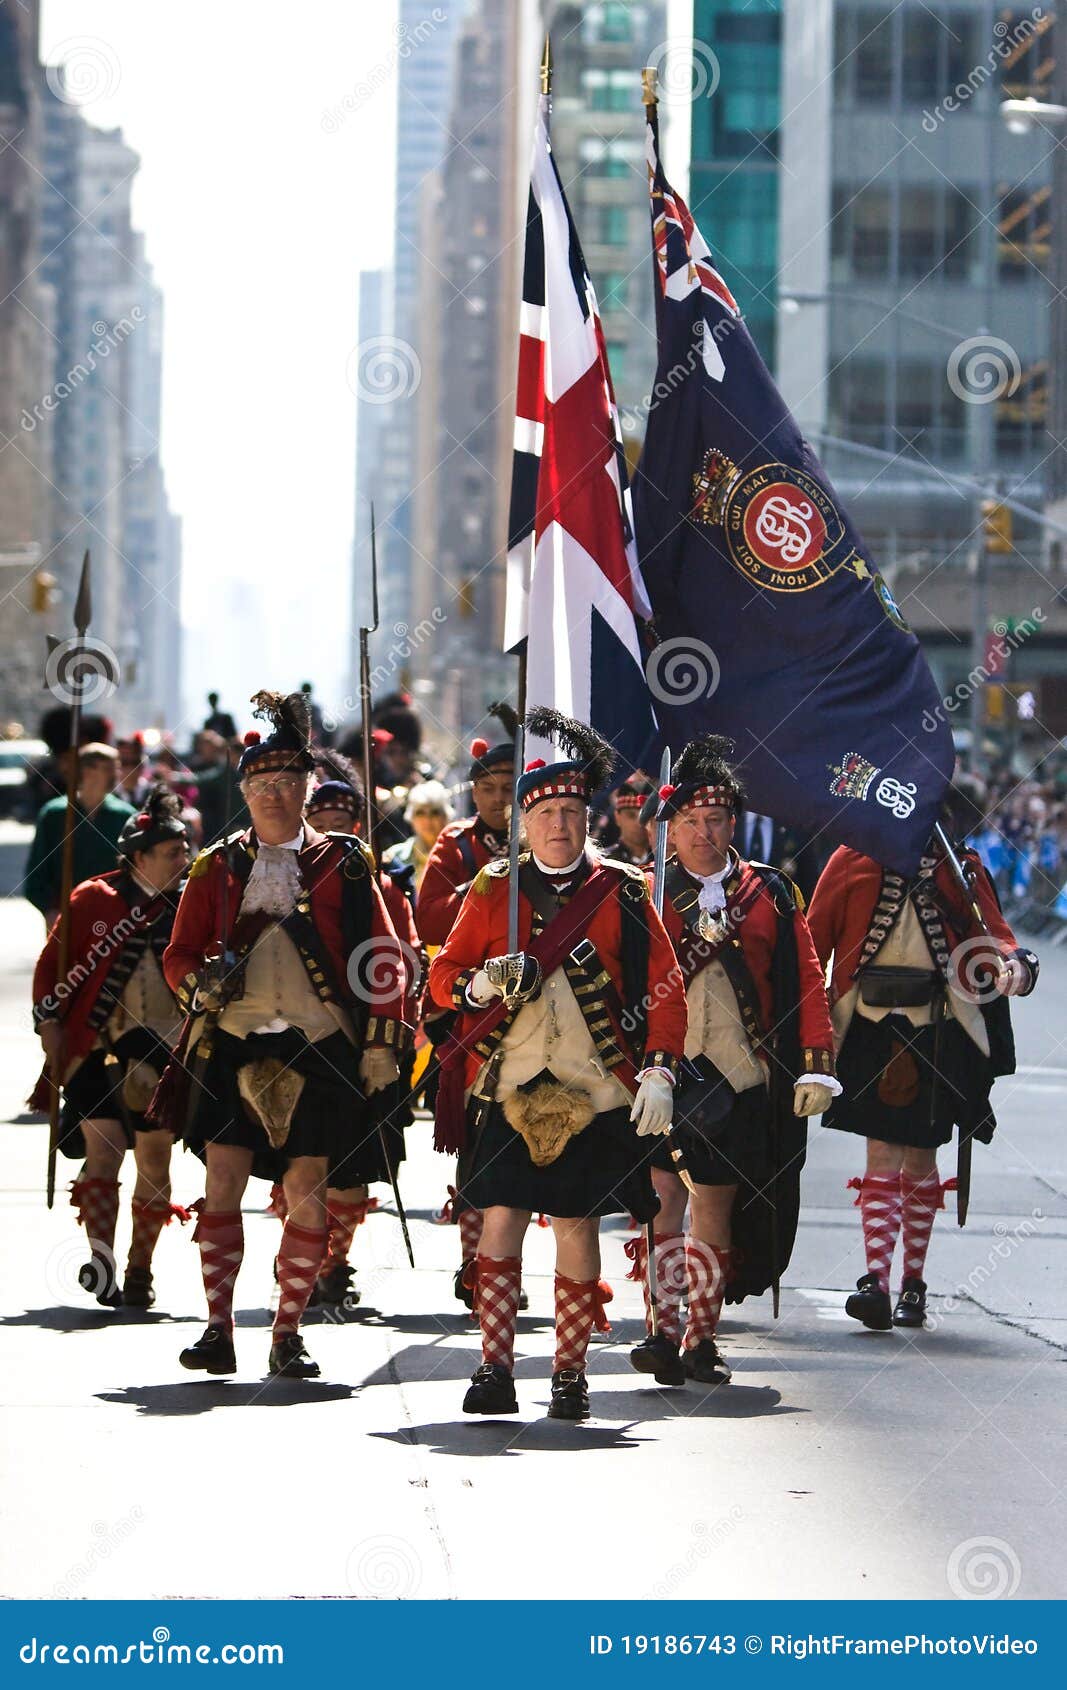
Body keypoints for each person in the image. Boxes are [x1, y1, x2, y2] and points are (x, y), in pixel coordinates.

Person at [429, 709, 688, 1421]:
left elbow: (665, 989)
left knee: (576, 1226)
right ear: (524, 823)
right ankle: (494, 1367)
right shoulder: (490, 889)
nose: (561, 827)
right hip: (509, 1089)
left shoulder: (625, 889)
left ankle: (569, 1373)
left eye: (573, 812)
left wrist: (661, 1071)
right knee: (499, 1222)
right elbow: (441, 976)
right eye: (547, 814)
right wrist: (480, 983)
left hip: (596, 1090)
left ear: (587, 819)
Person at [156, 690, 410, 1379]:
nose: (274, 794)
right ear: (244, 791)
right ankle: (217, 1328)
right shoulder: (213, 866)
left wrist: (383, 1042)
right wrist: (194, 987)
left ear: (305, 788)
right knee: (221, 1181)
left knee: (307, 1185)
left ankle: (286, 1332)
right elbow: (176, 955)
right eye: (262, 784)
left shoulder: (348, 863)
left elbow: (385, 957)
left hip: (319, 1041)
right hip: (231, 1038)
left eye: (287, 783)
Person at [627, 737, 838, 1387]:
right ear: (669, 828)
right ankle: (660, 1330)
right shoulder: (643, 892)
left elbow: (805, 980)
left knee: (713, 1206)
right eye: (687, 821)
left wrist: (812, 1062)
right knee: (660, 1200)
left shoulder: (770, 894)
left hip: (741, 1078)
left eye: (713, 820)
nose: (701, 833)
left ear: (733, 824)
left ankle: (701, 1337)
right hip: (662, 1075)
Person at [806, 777, 1039, 1331]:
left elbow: (998, 936)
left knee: (920, 1157)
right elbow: (813, 948)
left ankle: (913, 1282)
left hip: (937, 1028)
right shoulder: (848, 861)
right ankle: (876, 1281)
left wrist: (1012, 965)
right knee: (881, 1153)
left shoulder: (962, 869)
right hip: (868, 1026)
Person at [261, 752, 423, 1311]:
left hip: (364, 1042)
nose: (332, 828)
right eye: (322, 817)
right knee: (301, 1167)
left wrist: (389, 1037)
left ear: (358, 825)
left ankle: (334, 1262)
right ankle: (303, 1259)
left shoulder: (379, 886)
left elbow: (401, 961)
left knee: (354, 1167)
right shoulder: (271, 873)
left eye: (343, 819)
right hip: (294, 1041)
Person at [31, 786, 191, 1307]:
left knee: (155, 1161)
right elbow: (52, 966)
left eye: (185, 849)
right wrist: (49, 1023)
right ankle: (102, 1260)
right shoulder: (93, 899)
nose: (184, 859)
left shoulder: (193, 906)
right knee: (102, 1156)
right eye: (173, 852)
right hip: (95, 1049)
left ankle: (140, 1268)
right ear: (139, 857)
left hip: (164, 1054)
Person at [416, 708, 517, 1303]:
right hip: (470, 1011)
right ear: (473, 792)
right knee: (477, 1144)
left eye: (509, 789)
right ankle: (473, 1263)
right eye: (488, 789)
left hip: (540, 1007)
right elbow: (429, 916)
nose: (499, 798)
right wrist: (483, 886)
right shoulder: (456, 845)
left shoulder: (547, 841)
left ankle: (505, 1263)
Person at [23, 744, 135, 926]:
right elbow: (37, 871)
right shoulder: (55, 814)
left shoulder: (125, 815)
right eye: (108, 769)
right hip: (65, 915)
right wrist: (49, 910)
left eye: (116, 768)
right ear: (88, 770)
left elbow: (135, 871)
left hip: (113, 919)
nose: (117, 774)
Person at [382, 781, 454, 892]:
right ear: (411, 817)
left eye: (435, 812)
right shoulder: (393, 856)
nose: (427, 820)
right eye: (420, 813)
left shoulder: (460, 855)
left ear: (446, 816)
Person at [608, 777, 654, 868]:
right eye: (631, 815)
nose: (639, 823)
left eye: (644, 816)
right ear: (617, 817)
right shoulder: (605, 862)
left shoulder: (664, 861)